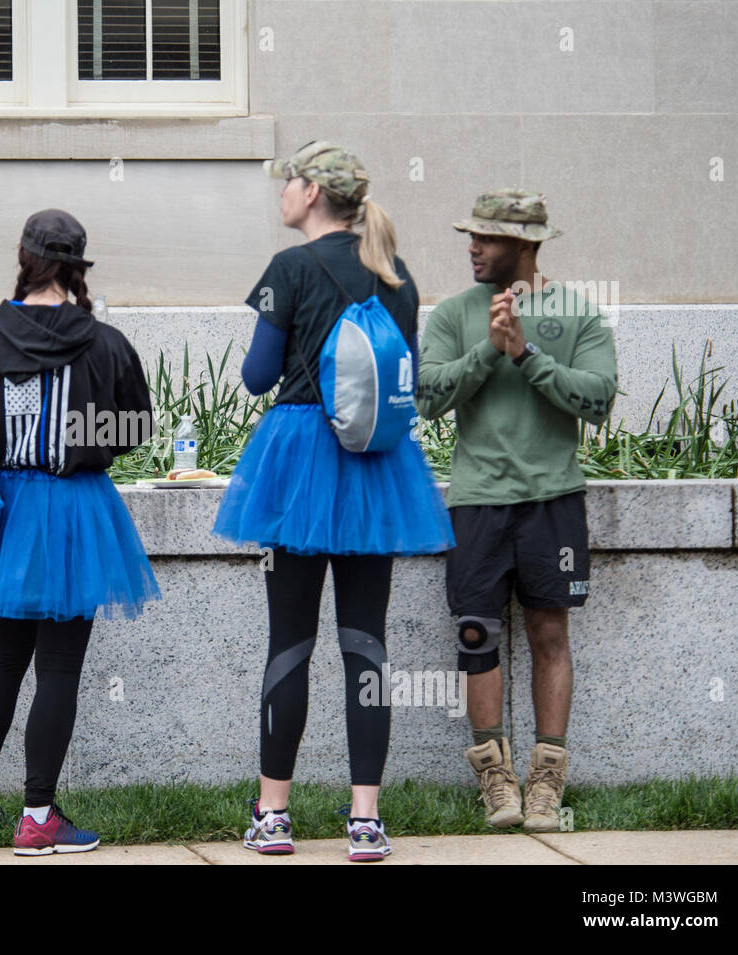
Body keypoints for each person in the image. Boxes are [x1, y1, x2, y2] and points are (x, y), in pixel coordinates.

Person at [213, 142, 454, 861]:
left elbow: (258, 376)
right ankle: (365, 818)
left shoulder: (289, 269)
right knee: (365, 643)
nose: (281, 193)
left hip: (300, 463)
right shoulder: (396, 272)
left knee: (289, 639)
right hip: (376, 470)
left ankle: (275, 813)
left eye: (288, 182)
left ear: (312, 191)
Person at [0, 209, 159, 856]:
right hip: (78, 513)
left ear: (23, 257)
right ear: (78, 268)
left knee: (3, 656)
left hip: (0, 513)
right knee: (59, 668)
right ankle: (38, 817)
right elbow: (136, 430)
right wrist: (81, 435)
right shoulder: (105, 343)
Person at [415, 188, 616, 831]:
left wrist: (527, 354)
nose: (472, 247)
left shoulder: (579, 314)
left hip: (552, 498)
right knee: (476, 633)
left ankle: (546, 783)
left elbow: (598, 399)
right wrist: (488, 349)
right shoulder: (452, 314)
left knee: (549, 633)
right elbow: (426, 398)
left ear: (527, 245)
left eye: (487, 238)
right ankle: (495, 780)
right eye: (470, 236)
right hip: (477, 501)